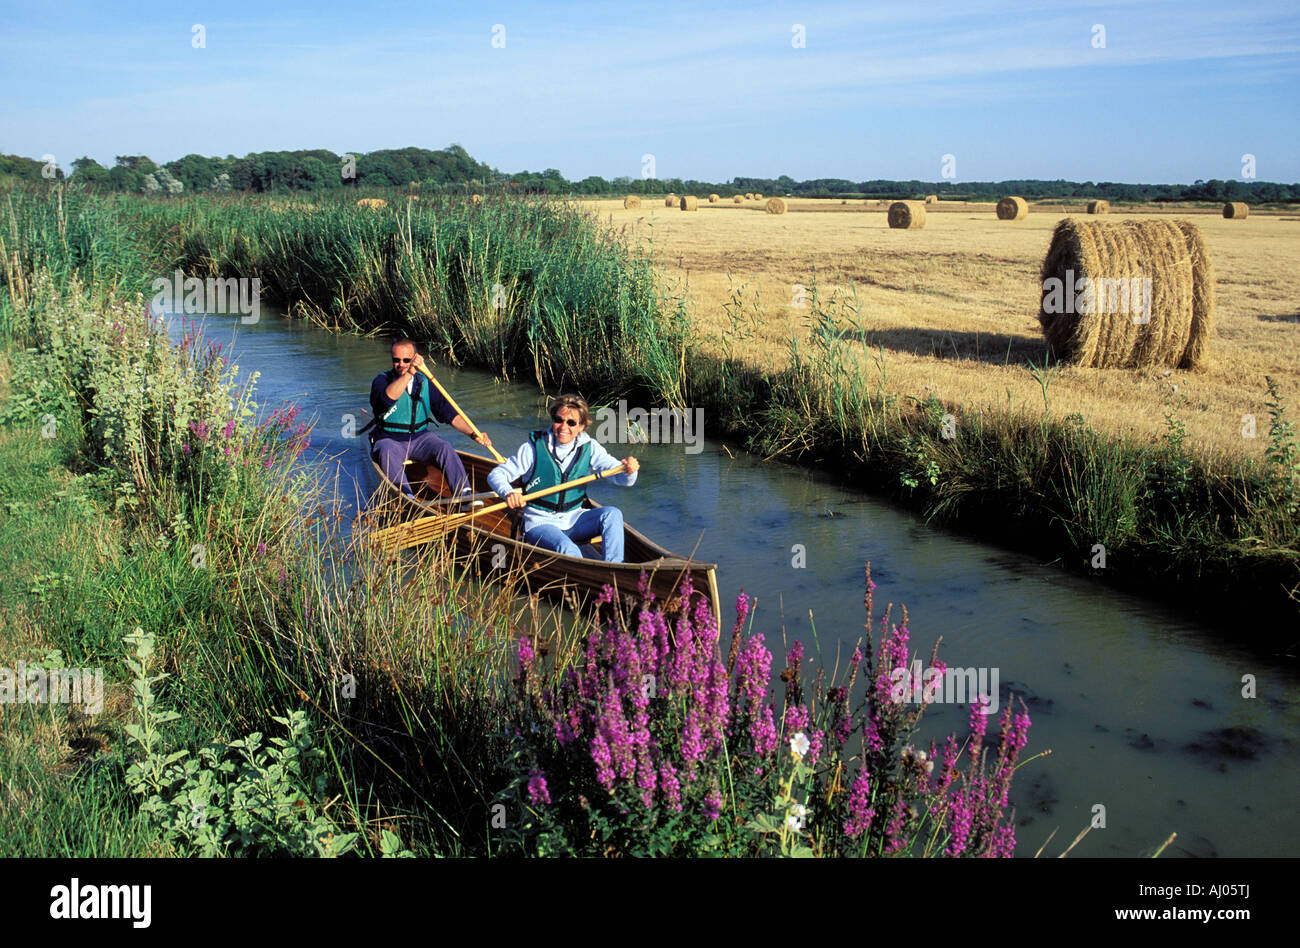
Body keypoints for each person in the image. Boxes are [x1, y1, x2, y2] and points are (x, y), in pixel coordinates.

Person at [487, 394, 639, 563]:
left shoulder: (590, 448)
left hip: (574, 519)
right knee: (569, 549)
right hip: (540, 523)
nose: (563, 427)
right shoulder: (533, 448)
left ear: (581, 426)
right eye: (559, 420)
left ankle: (614, 569)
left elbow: (624, 480)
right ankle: (592, 580)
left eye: (571, 422)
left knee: (612, 514)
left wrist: (629, 470)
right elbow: (496, 475)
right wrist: (508, 493)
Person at [369, 338, 494, 499]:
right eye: (396, 360)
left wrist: (473, 433)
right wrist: (409, 373)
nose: (401, 364)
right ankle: (406, 497)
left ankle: (464, 494)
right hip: (389, 439)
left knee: (445, 448)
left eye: (406, 360)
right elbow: (387, 399)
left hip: (420, 438)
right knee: (386, 452)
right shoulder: (381, 381)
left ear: (414, 358)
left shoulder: (425, 381)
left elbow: (449, 414)